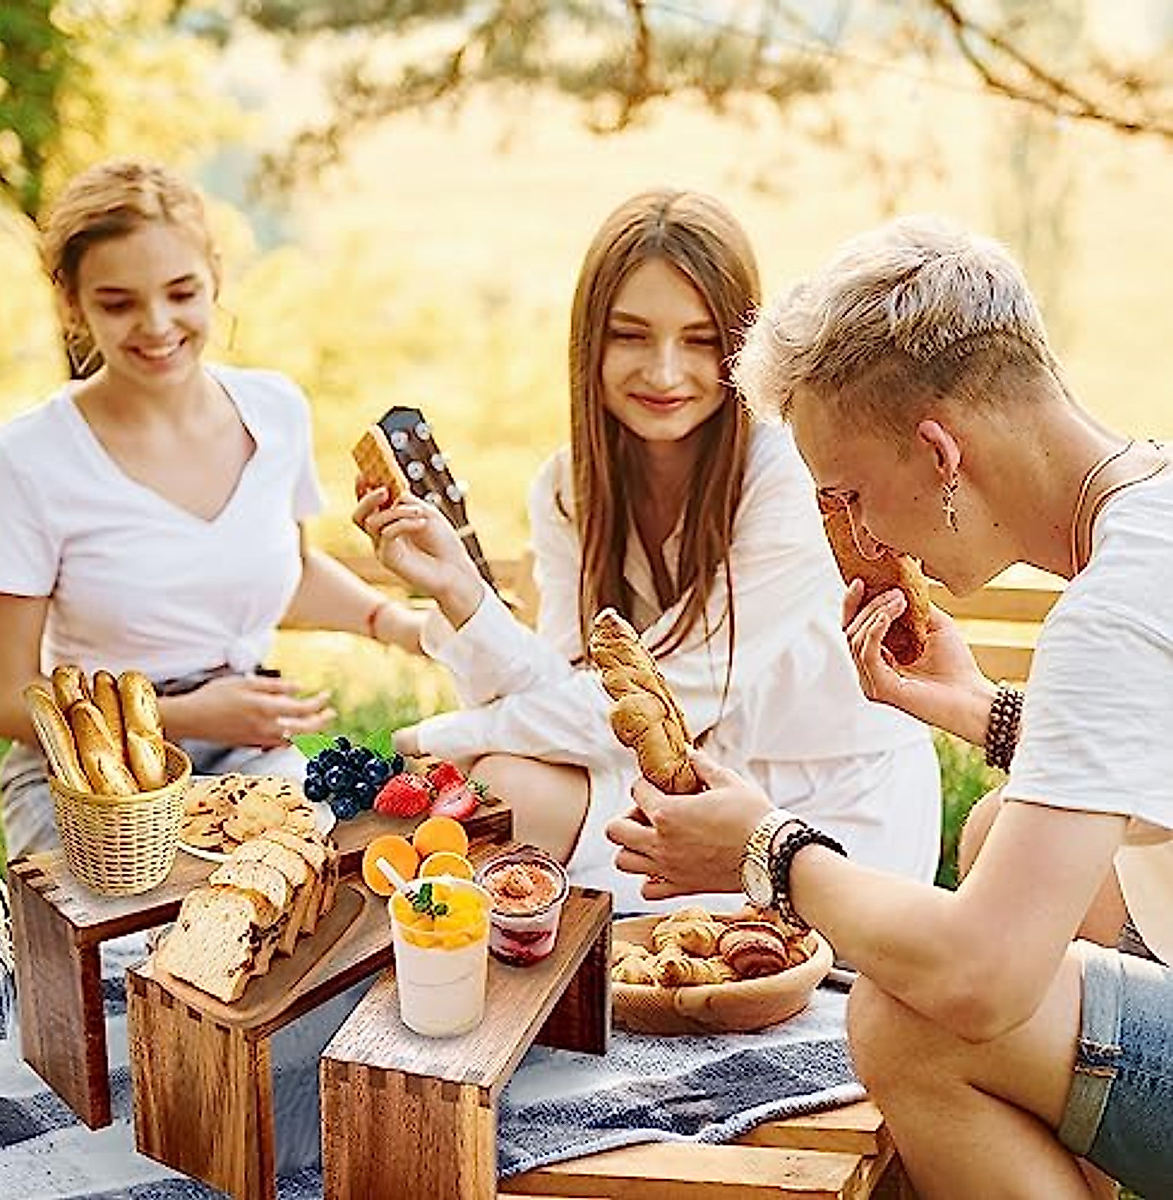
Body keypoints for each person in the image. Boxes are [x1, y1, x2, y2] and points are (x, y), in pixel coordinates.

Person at [607, 215, 1172, 1198]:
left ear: (939, 454)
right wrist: (984, 714)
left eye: (853, 494)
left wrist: (767, 851)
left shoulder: (1113, 611)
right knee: (1001, 827)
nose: (858, 531)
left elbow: (983, 979)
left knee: (908, 1020)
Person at [353, 188, 941, 912]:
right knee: (496, 788)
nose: (665, 373)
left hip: (830, 808)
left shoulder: (789, 476)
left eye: (700, 341)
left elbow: (680, 699)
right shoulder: (569, 486)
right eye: (631, 336)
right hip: (684, 785)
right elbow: (569, 694)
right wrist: (457, 593)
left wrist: (446, 735)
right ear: (590, 344)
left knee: (488, 777)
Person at [0, 159, 421, 861]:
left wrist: (396, 624)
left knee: (321, 925)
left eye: (181, 292)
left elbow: (289, 570)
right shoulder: (29, 458)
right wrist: (180, 717)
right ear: (71, 305)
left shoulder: (274, 410)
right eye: (118, 302)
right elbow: (2, 698)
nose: (157, 326)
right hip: (92, 774)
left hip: (244, 751)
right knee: (132, 964)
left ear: (214, 278)